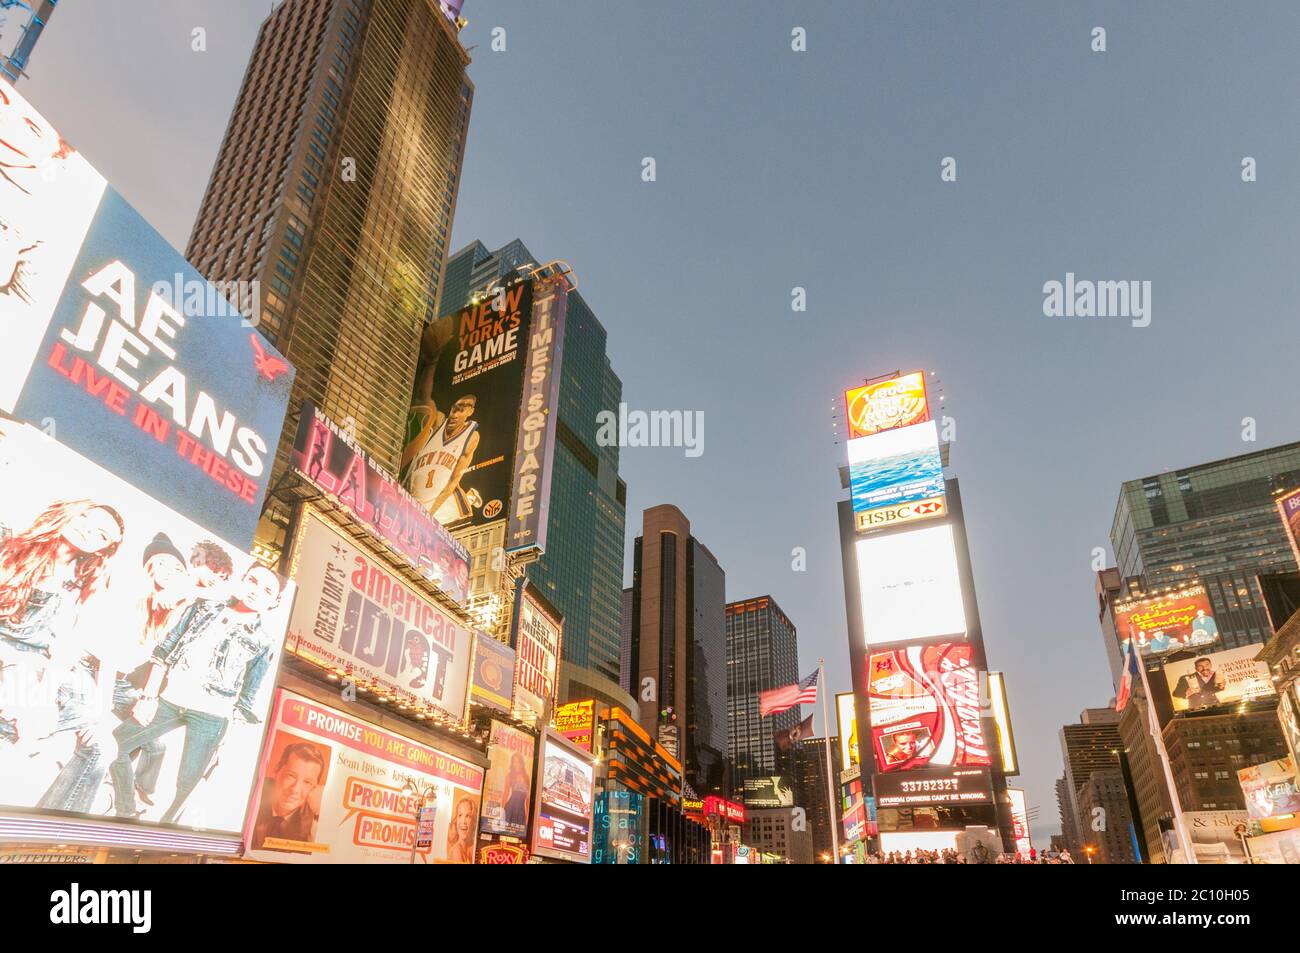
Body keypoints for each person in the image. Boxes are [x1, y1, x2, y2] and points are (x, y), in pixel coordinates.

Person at [109, 564, 285, 824]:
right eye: (253, 581)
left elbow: (247, 696)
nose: (256, 590)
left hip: (212, 714)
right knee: (116, 745)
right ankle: (126, 811)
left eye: (267, 590)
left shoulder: (263, 641)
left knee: (188, 783)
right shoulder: (205, 606)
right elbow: (165, 650)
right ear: (242, 580)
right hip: (170, 698)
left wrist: (226, 742)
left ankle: (164, 832)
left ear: (274, 602)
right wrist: (149, 696)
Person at [0, 499, 125, 813]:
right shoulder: (11, 546)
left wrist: (42, 698)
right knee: (21, 715)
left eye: (101, 535)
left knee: (101, 743)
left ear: (102, 549)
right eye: (87, 517)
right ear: (72, 511)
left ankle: (55, 825)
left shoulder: (84, 583)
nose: (89, 530)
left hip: (35, 665)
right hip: (10, 660)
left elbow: (67, 647)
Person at [403, 389, 481, 527]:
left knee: (448, 512)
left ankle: (469, 498)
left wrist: (430, 515)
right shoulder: (438, 420)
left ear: (470, 412)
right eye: (454, 409)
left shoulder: (471, 435)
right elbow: (423, 399)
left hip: (441, 491)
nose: (456, 413)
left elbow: (453, 480)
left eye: (462, 410)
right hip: (418, 488)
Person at [250, 742, 325, 850]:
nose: (295, 789)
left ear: (314, 788)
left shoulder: (312, 821)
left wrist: (318, 814)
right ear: (277, 769)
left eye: (307, 782)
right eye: (291, 776)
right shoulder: (254, 792)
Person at [445, 793, 478, 863]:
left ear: (473, 821)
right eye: (460, 815)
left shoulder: (465, 851)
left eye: (468, 816)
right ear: (456, 820)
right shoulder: (457, 850)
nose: (463, 821)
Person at [502, 752, 530, 829]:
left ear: (521, 763)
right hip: (510, 808)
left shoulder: (527, 778)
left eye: (518, 762)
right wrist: (501, 812)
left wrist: (527, 817)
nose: (516, 764)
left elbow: (528, 799)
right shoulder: (509, 776)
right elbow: (506, 793)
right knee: (506, 831)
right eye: (514, 762)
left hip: (521, 811)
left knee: (519, 833)